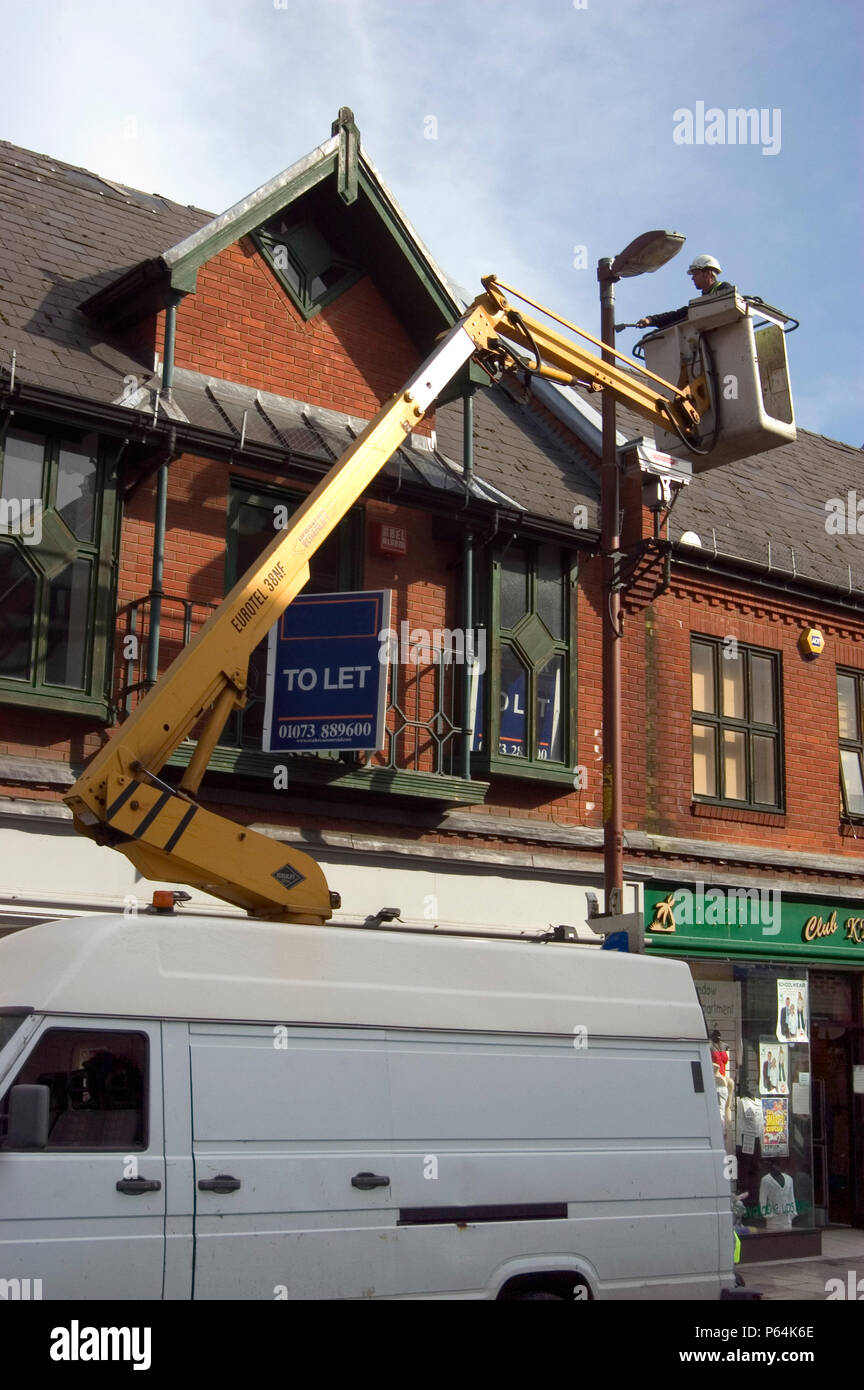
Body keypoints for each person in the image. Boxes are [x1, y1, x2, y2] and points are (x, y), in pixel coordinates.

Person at [636, 254, 734, 331]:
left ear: (707, 274)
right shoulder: (700, 303)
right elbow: (676, 316)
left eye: (695, 274)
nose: (692, 278)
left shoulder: (725, 290)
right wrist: (651, 320)